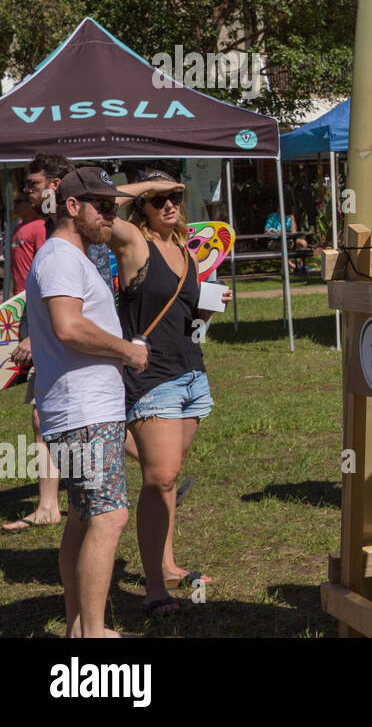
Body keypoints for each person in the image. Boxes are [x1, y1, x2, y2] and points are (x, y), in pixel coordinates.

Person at [25, 167, 149, 637]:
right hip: (82, 411)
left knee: (82, 516)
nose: (109, 216)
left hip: (79, 410)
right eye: (101, 206)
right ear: (72, 206)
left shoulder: (71, 256)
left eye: (113, 207)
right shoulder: (61, 258)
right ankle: (93, 635)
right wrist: (127, 351)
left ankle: (80, 628)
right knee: (109, 516)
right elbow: (68, 327)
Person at [108, 170, 230, 617]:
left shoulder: (185, 251)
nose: (169, 204)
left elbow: (186, 313)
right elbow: (102, 208)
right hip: (152, 377)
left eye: (175, 195)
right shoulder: (134, 245)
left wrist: (213, 303)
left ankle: (168, 564)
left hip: (190, 375)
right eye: (158, 199)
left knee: (168, 480)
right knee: (158, 481)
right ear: (142, 205)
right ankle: (155, 588)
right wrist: (144, 188)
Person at [3, 154, 116, 535]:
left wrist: (38, 333)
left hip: (60, 341)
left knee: (52, 418)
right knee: (44, 418)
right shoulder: (44, 227)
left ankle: (157, 472)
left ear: (57, 187)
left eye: (35, 184)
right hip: (44, 331)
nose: (28, 191)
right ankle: (51, 503)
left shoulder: (66, 235)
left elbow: (78, 297)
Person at [10, 193, 46, 292]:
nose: (14, 205)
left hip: (33, 290)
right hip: (18, 291)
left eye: (18, 202)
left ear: (30, 204)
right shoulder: (17, 227)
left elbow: (43, 260)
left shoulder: (40, 226)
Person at [264, 206, 310, 273]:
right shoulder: (272, 216)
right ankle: (293, 266)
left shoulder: (289, 217)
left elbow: (293, 232)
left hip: (288, 240)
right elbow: (266, 230)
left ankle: (302, 265)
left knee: (303, 243)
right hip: (274, 242)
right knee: (284, 248)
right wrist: (277, 231)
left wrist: (292, 218)